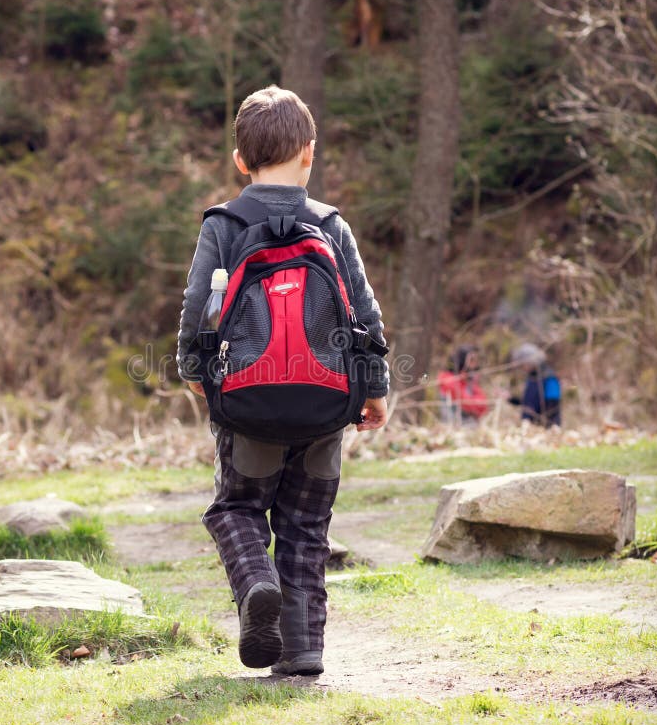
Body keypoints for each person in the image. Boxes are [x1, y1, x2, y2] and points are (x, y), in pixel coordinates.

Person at [176, 86, 389, 677]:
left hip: (247, 403)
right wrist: (374, 388)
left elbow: (198, 306)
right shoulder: (329, 224)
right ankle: (301, 651)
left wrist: (196, 372)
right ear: (309, 154)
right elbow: (365, 316)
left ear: (240, 161)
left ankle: (255, 585)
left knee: (237, 508)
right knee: (306, 528)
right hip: (325, 404)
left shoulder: (224, 223)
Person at [508, 343, 561, 427]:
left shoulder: (550, 379)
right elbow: (527, 402)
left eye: (524, 364)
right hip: (530, 427)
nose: (523, 368)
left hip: (545, 428)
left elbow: (552, 405)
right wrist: (510, 398)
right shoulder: (531, 378)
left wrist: (543, 422)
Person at [436, 344, 488, 425]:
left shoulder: (469, 380)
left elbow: (483, 405)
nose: (475, 364)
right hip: (454, 426)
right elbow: (468, 404)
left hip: (468, 424)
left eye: (475, 360)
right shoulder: (448, 380)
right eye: (471, 360)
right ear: (462, 360)